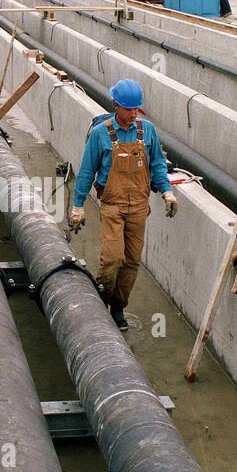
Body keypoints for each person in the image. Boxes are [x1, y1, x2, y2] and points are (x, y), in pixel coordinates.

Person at [69, 79, 177, 330]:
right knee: (112, 259)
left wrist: (166, 192)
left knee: (131, 261)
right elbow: (86, 172)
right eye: (128, 109)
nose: (132, 114)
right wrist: (77, 205)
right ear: (115, 105)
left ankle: (118, 307)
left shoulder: (146, 131)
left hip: (139, 205)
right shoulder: (100, 134)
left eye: (136, 109)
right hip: (113, 205)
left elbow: (158, 164)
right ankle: (100, 302)